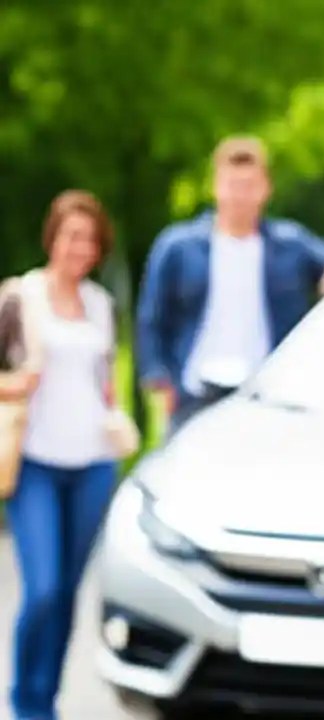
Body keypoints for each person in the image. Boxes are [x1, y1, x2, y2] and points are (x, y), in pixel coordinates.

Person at [135, 135, 324, 433]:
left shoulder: (290, 245)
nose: (240, 196)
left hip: (266, 394)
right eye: (232, 185)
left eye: (249, 186)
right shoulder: (178, 247)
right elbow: (151, 318)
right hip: (194, 393)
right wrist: (159, 379)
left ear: (266, 189)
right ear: (215, 186)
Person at [0, 191, 127, 720]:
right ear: (53, 236)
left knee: (71, 591)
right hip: (35, 462)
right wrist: (15, 385)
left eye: (90, 240)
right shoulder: (18, 297)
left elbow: (104, 378)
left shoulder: (100, 304)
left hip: (93, 463)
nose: (80, 247)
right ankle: (23, 700)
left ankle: (47, 701)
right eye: (72, 235)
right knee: (44, 588)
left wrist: (115, 413)